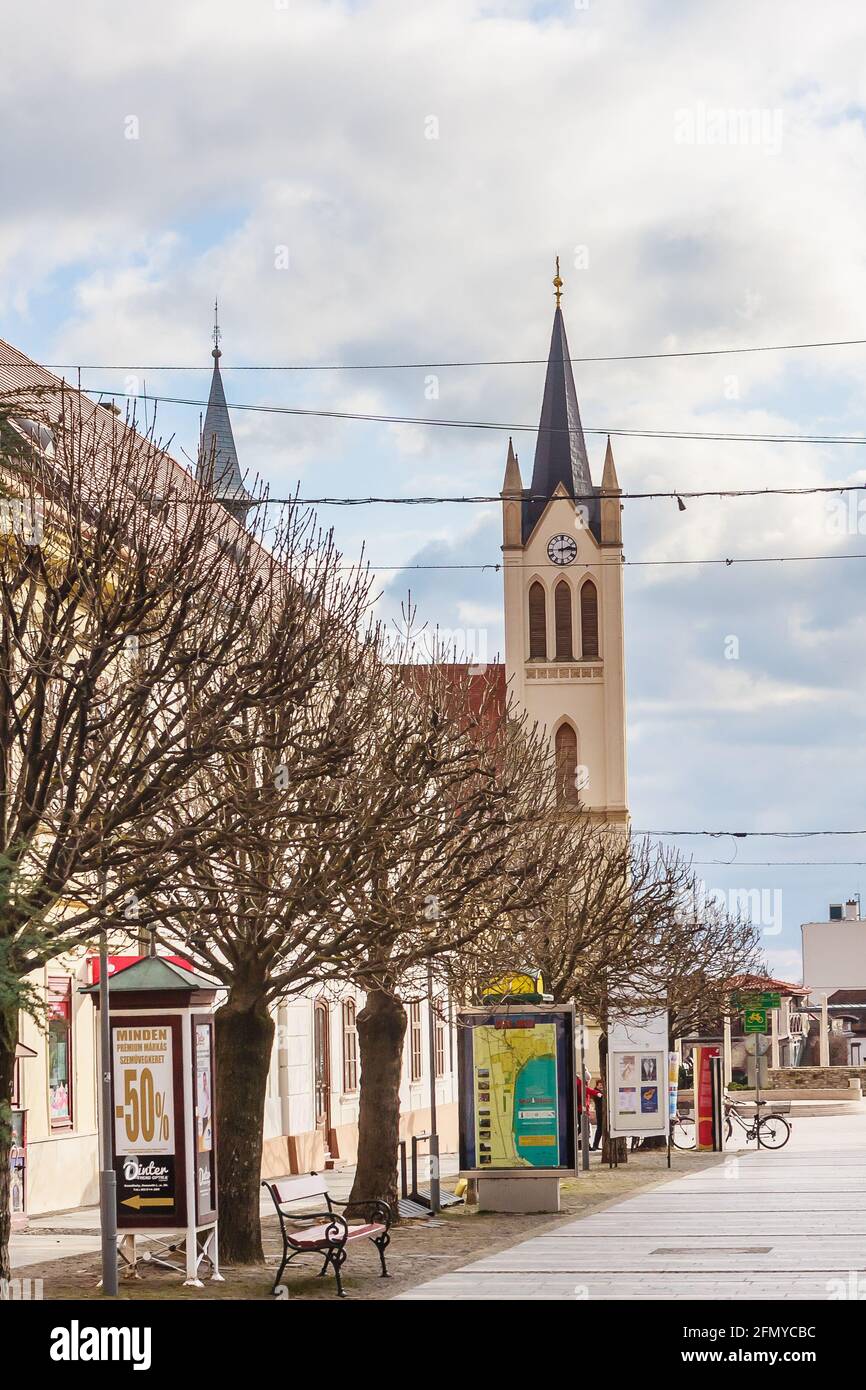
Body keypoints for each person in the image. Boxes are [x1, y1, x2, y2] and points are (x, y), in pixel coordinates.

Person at [587, 1076, 604, 1150]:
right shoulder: (596, 1092)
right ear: (597, 1085)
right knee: (599, 1128)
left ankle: (596, 1145)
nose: (601, 1086)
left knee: (600, 1128)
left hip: (601, 1111)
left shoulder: (600, 1092)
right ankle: (595, 1145)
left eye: (602, 1085)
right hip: (600, 1112)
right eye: (600, 1085)